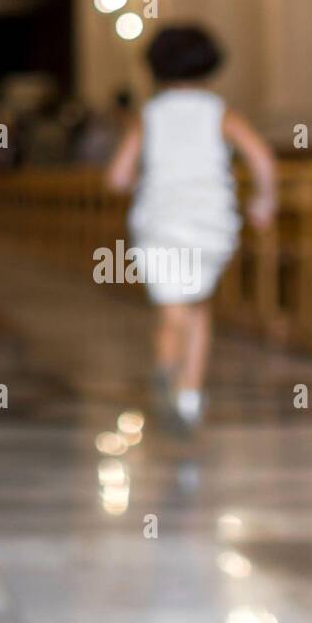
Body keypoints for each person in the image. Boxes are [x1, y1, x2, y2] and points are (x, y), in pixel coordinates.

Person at [104, 25, 276, 430]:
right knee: (198, 302)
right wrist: (264, 200)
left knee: (172, 306)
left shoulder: (147, 117)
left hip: (162, 219)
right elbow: (262, 158)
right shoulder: (221, 113)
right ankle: (190, 396)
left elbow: (116, 177)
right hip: (210, 221)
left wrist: (132, 179)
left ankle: (166, 365)